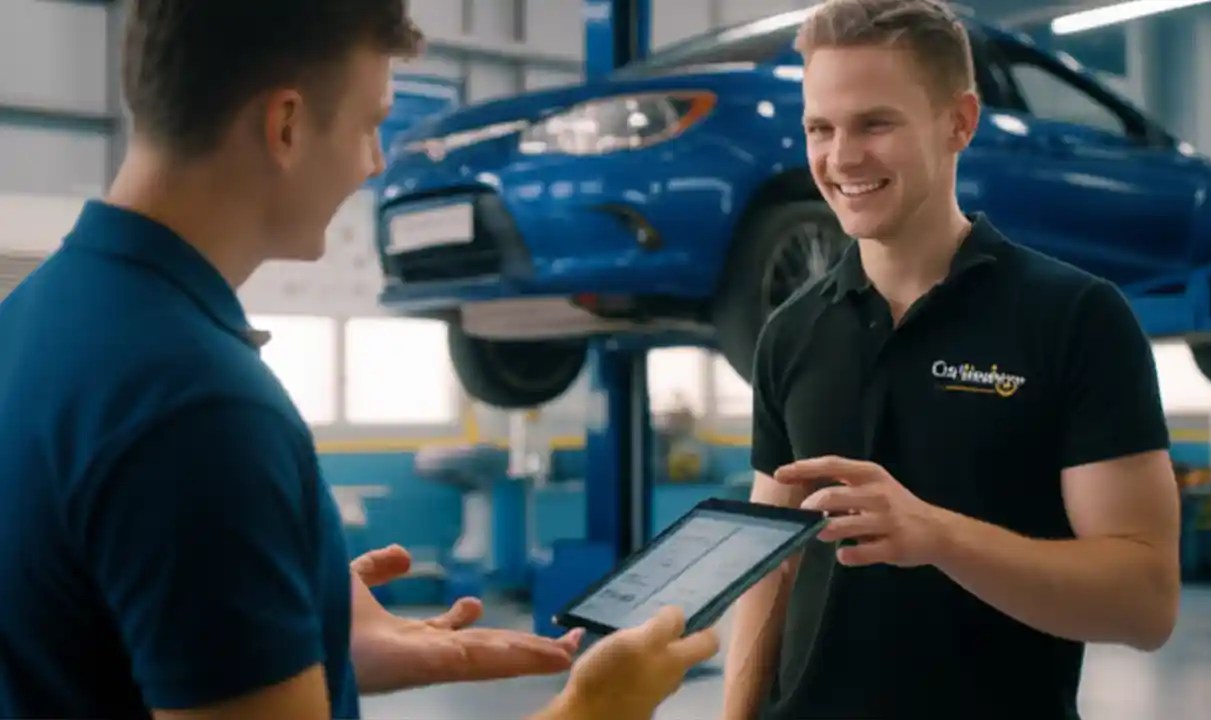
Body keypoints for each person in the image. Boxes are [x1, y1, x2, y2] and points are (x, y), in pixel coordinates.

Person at [0, 1, 715, 719]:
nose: (373, 164)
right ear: (286, 126)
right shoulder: (199, 408)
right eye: (370, 126)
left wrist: (295, 632)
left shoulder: (34, 318)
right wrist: (594, 707)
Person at [721, 1, 1182, 718]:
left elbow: (1145, 602)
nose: (842, 158)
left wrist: (939, 537)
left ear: (959, 122)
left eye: (875, 124)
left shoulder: (1076, 318)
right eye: (820, 128)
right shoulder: (792, 332)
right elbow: (771, 573)